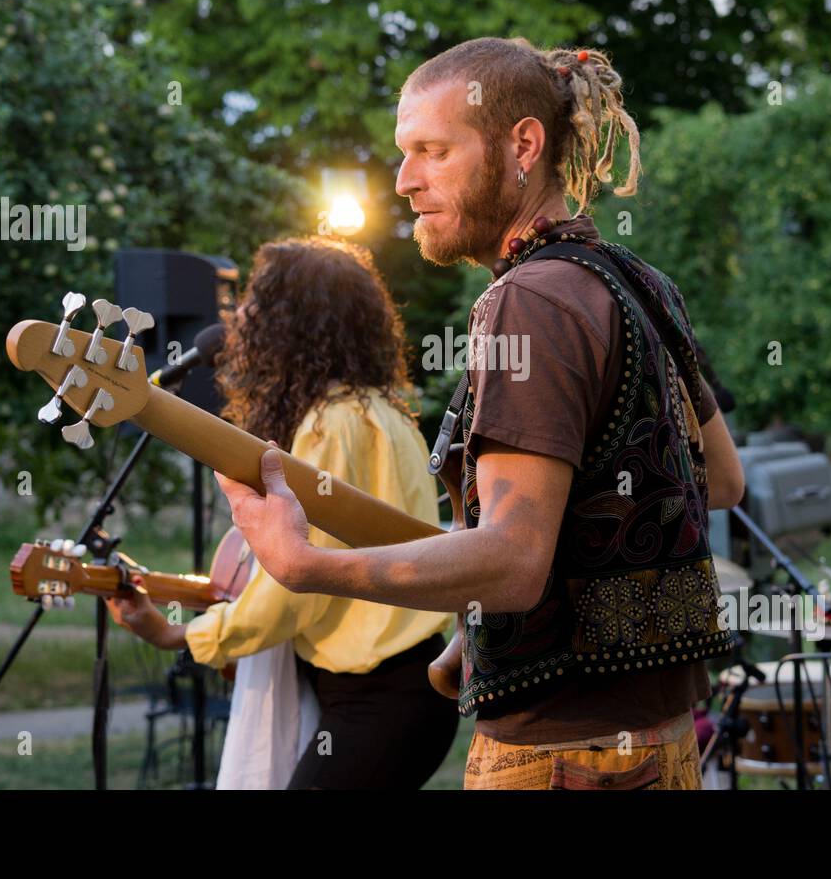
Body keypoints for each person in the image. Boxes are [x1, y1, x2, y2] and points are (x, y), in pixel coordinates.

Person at [213, 38, 745, 790]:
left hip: (563, 755)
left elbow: (513, 563)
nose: (404, 181)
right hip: (660, 741)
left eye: (432, 151)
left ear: (522, 144)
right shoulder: (645, 284)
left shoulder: (524, 302)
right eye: (404, 154)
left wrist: (307, 565)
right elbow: (719, 480)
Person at [108, 237, 457, 789]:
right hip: (406, 690)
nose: (240, 313)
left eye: (256, 300)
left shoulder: (330, 424)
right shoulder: (386, 412)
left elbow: (296, 584)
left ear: (293, 322)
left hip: (375, 698)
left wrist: (182, 636)